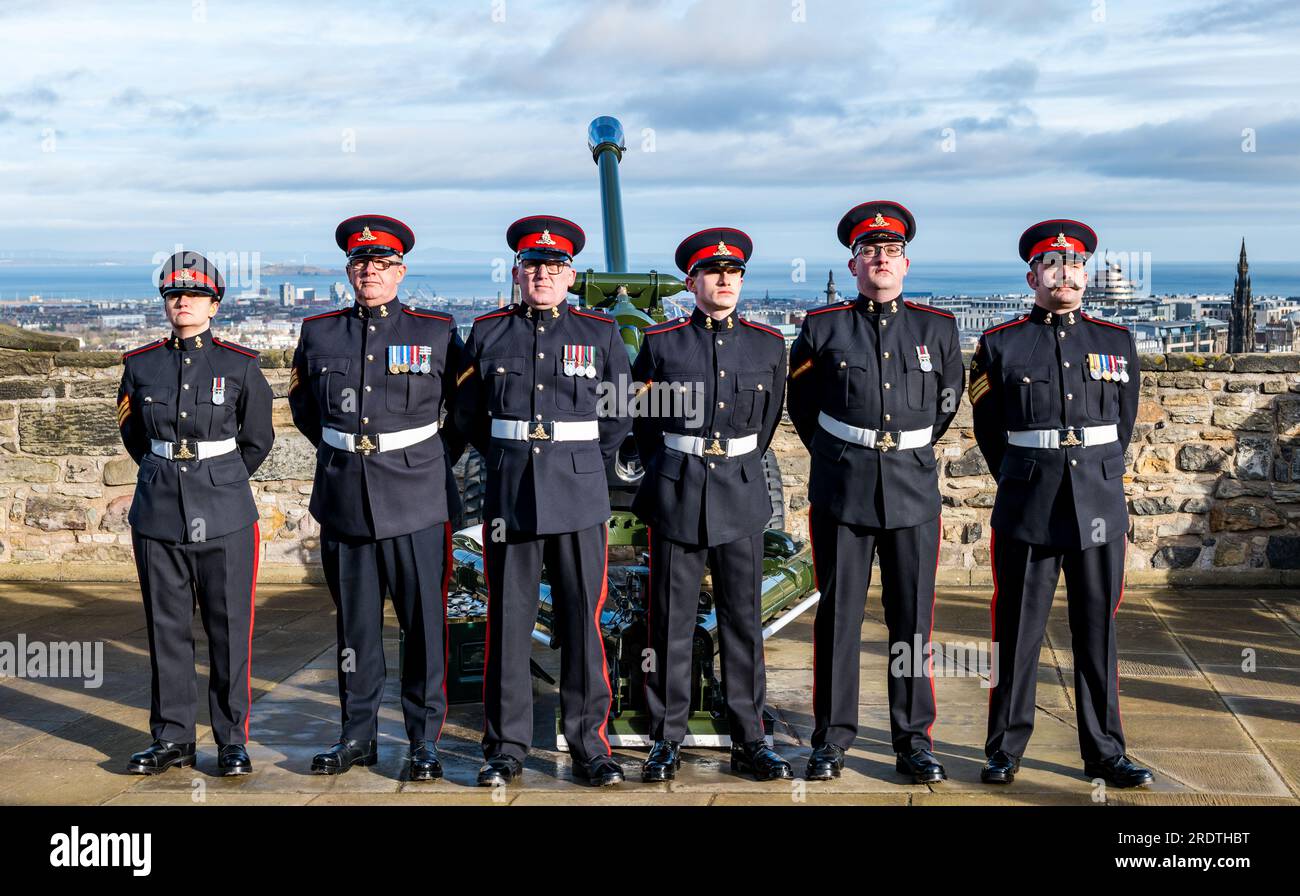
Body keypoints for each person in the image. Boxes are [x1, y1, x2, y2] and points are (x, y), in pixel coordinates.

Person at [969, 219, 1152, 788]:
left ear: (1086, 273)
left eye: (1074, 265)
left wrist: (1092, 475)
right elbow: (988, 428)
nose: (1064, 274)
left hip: (1097, 502)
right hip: (1029, 502)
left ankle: (1104, 751)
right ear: (1033, 275)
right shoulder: (999, 345)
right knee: (1017, 632)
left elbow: (1120, 427)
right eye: (1052, 265)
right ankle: (1005, 748)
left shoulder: (1114, 341)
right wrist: (1024, 476)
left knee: (1097, 630)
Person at [452, 215, 633, 787]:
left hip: (579, 495)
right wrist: (511, 457)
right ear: (517, 272)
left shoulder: (598, 333)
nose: (543, 275)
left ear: (570, 274)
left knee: (584, 621)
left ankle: (589, 745)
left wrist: (576, 461)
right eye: (533, 266)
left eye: (554, 266)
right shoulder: (487, 333)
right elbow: (469, 416)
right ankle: (505, 746)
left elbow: (618, 415)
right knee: (509, 622)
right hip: (511, 494)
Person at [787, 201, 962, 783]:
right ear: (853, 263)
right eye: (869, 251)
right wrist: (842, 454)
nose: (880, 258)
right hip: (843, 488)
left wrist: (901, 449)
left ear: (906, 264)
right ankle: (831, 740)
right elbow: (802, 408)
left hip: (912, 489)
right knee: (838, 618)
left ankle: (914, 741)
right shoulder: (822, 328)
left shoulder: (937, 329)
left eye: (890, 251)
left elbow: (945, 405)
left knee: (911, 622)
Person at [287, 214, 465, 780]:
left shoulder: (435, 331)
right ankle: (357, 736)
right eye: (361, 263)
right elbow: (305, 411)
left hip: (417, 499)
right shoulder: (319, 333)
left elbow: (463, 415)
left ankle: (423, 740)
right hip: (346, 499)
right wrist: (346, 454)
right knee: (355, 629)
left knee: (424, 627)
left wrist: (424, 461)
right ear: (349, 271)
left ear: (401, 271)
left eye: (382, 263)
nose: (371, 271)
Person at [631, 227, 793, 782]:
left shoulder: (769, 346)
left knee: (742, 622)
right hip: (677, 491)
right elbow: (645, 424)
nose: (724, 280)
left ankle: (751, 737)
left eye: (734, 273)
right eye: (713, 272)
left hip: (740, 495)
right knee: (670, 622)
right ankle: (666, 737)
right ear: (691, 281)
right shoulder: (662, 344)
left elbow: (766, 423)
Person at [118, 250, 274, 776]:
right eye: (173, 294)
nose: (182, 302)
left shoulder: (239, 364)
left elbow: (256, 440)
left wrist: (216, 481)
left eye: (194, 294)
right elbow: (135, 438)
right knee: (166, 629)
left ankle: (232, 739)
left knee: (230, 630)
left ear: (215, 303)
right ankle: (172, 739)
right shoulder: (140, 365)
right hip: (158, 513)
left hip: (226, 515)